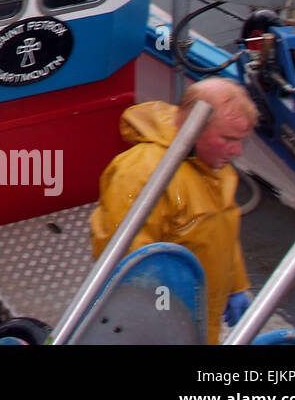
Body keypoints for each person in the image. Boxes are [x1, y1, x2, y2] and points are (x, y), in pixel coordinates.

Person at [90, 78, 257, 344]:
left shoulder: (215, 167)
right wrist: (166, 320)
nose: (236, 151)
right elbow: (126, 262)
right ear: (195, 127)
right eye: (227, 139)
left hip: (201, 315)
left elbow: (223, 231)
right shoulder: (141, 174)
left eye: (241, 141)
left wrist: (237, 285)